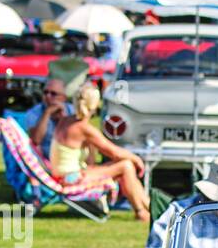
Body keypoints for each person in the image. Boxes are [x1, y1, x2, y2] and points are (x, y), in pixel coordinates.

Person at [50, 83, 150, 222]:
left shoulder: (66, 121)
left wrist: (89, 146)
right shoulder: (84, 128)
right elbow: (114, 152)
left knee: (124, 166)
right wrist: (136, 159)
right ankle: (142, 211)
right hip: (71, 179)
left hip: (64, 176)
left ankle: (148, 207)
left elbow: (90, 160)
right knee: (125, 166)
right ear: (95, 104)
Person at [25, 78, 73, 159]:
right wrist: (47, 113)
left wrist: (63, 120)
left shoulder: (72, 111)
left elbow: (77, 138)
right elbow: (36, 140)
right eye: (45, 92)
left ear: (63, 98)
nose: (48, 96)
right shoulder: (34, 113)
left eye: (53, 94)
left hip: (67, 158)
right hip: (43, 161)